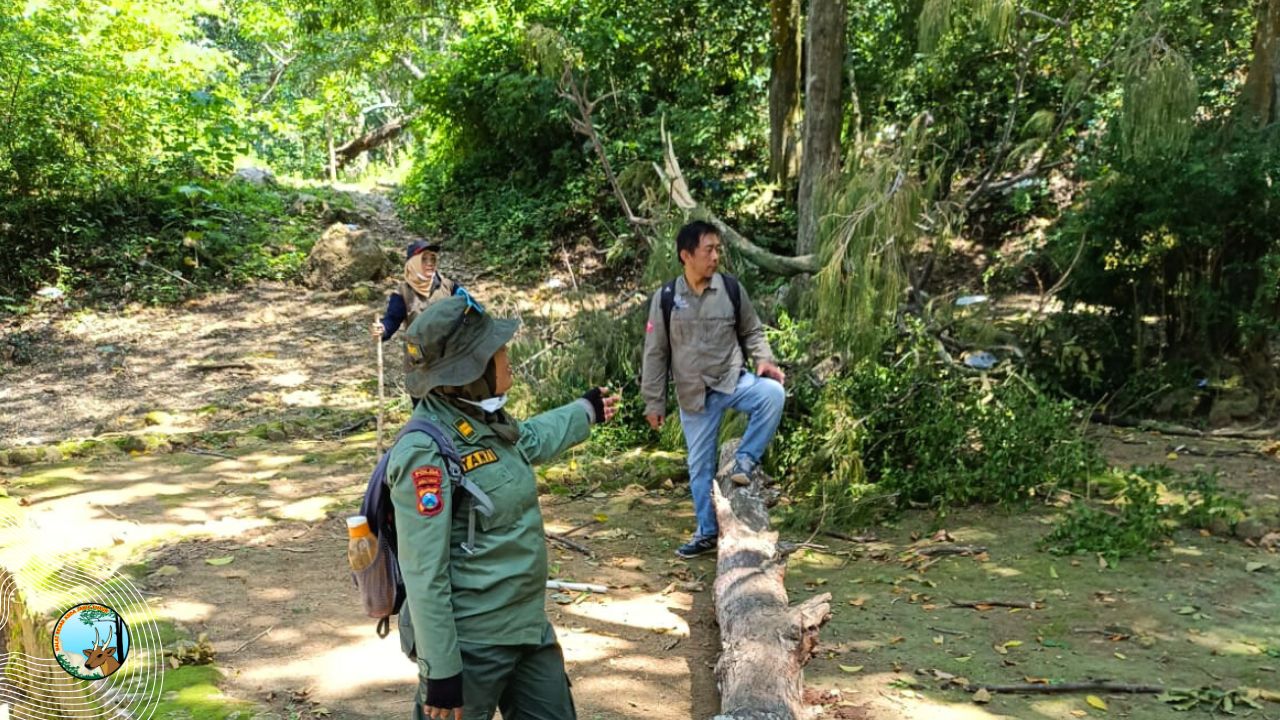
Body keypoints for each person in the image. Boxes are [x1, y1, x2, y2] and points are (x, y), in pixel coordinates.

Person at [387, 293, 619, 719]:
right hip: (471, 645)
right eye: (497, 351)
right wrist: (441, 673)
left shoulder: (484, 419)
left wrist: (584, 411)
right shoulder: (425, 451)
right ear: (468, 372)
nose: (508, 356)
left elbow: (529, 438)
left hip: (527, 628)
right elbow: (423, 572)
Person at [640, 220, 787, 559]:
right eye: (709, 249)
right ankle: (707, 533)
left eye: (718, 249)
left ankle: (744, 462)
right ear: (686, 255)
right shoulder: (665, 298)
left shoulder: (731, 290)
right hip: (694, 396)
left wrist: (764, 360)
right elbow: (655, 353)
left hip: (732, 380)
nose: (716, 256)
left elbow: (753, 331)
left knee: (773, 394)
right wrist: (654, 402)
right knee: (700, 468)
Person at [371, 240, 462, 407]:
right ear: (413, 263)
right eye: (424, 259)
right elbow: (392, 319)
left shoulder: (449, 287)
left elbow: (467, 307)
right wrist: (383, 329)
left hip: (448, 360)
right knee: (424, 410)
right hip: (419, 364)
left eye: (433, 259)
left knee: (453, 410)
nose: (429, 264)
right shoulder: (403, 292)